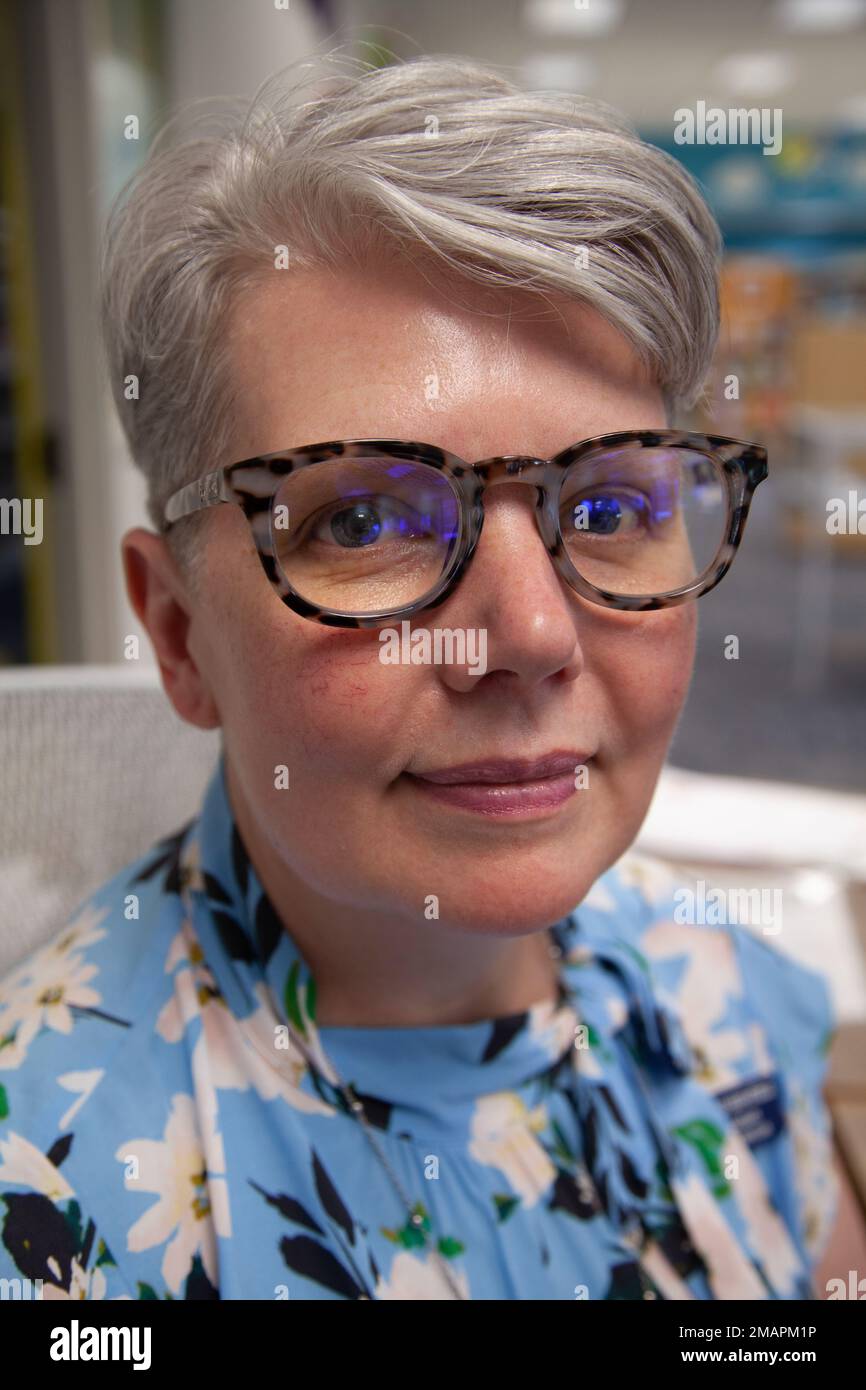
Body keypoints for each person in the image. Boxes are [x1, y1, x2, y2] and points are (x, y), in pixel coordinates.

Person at [1, 50, 862, 1302]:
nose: (525, 632)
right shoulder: (56, 1202)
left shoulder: (722, 991)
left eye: (613, 498)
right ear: (181, 635)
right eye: (361, 523)